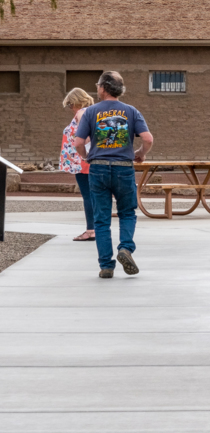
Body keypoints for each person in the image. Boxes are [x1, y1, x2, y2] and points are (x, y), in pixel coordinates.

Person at [74, 71, 153, 279]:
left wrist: (87, 157)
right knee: (127, 212)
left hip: (98, 168)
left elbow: (78, 143)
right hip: (123, 167)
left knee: (101, 219)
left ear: (103, 88)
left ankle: (106, 266)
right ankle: (125, 248)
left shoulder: (90, 112)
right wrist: (140, 154)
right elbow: (148, 138)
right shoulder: (131, 111)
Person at [60, 88, 95, 241]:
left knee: (88, 195)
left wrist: (84, 150)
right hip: (85, 159)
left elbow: (86, 136)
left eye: (70, 105)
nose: (70, 108)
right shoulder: (92, 112)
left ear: (75, 102)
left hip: (82, 160)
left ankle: (90, 230)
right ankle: (94, 229)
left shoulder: (81, 113)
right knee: (92, 195)